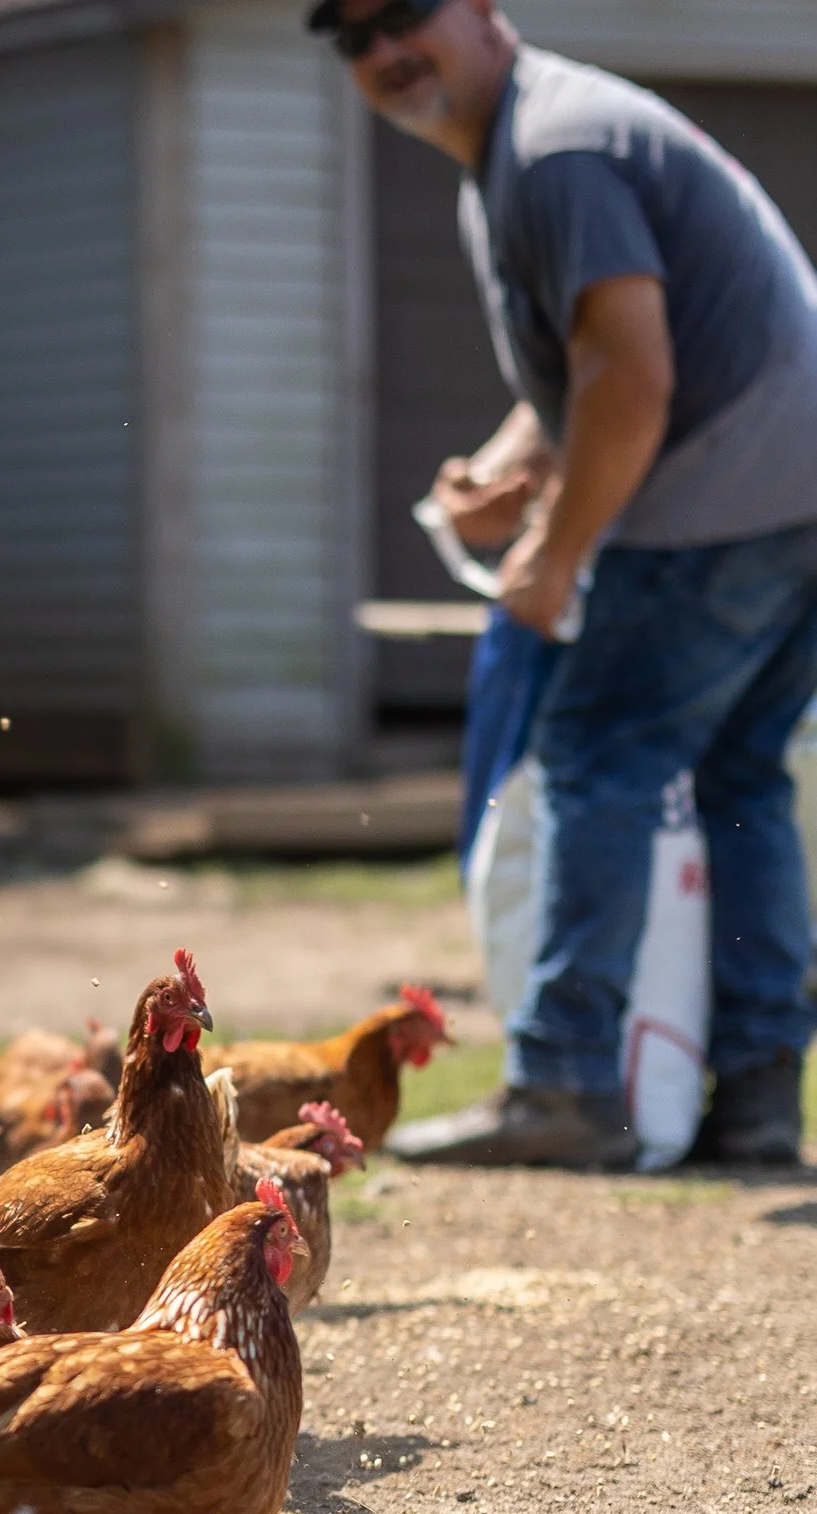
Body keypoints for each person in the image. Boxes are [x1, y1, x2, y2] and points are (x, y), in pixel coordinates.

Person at [314, 0, 817, 1167]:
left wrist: (553, 554)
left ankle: (564, 1082)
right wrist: (504, 472)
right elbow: (586, 370)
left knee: (598, 756)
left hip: (728, 493)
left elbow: (630, 378)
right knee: (739, 775)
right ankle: (757, 1095)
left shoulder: (554, 152)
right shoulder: (536, 142)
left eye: (402, 13)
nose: (381, 50)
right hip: (794, 492)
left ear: (481, 11)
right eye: (349, 37)